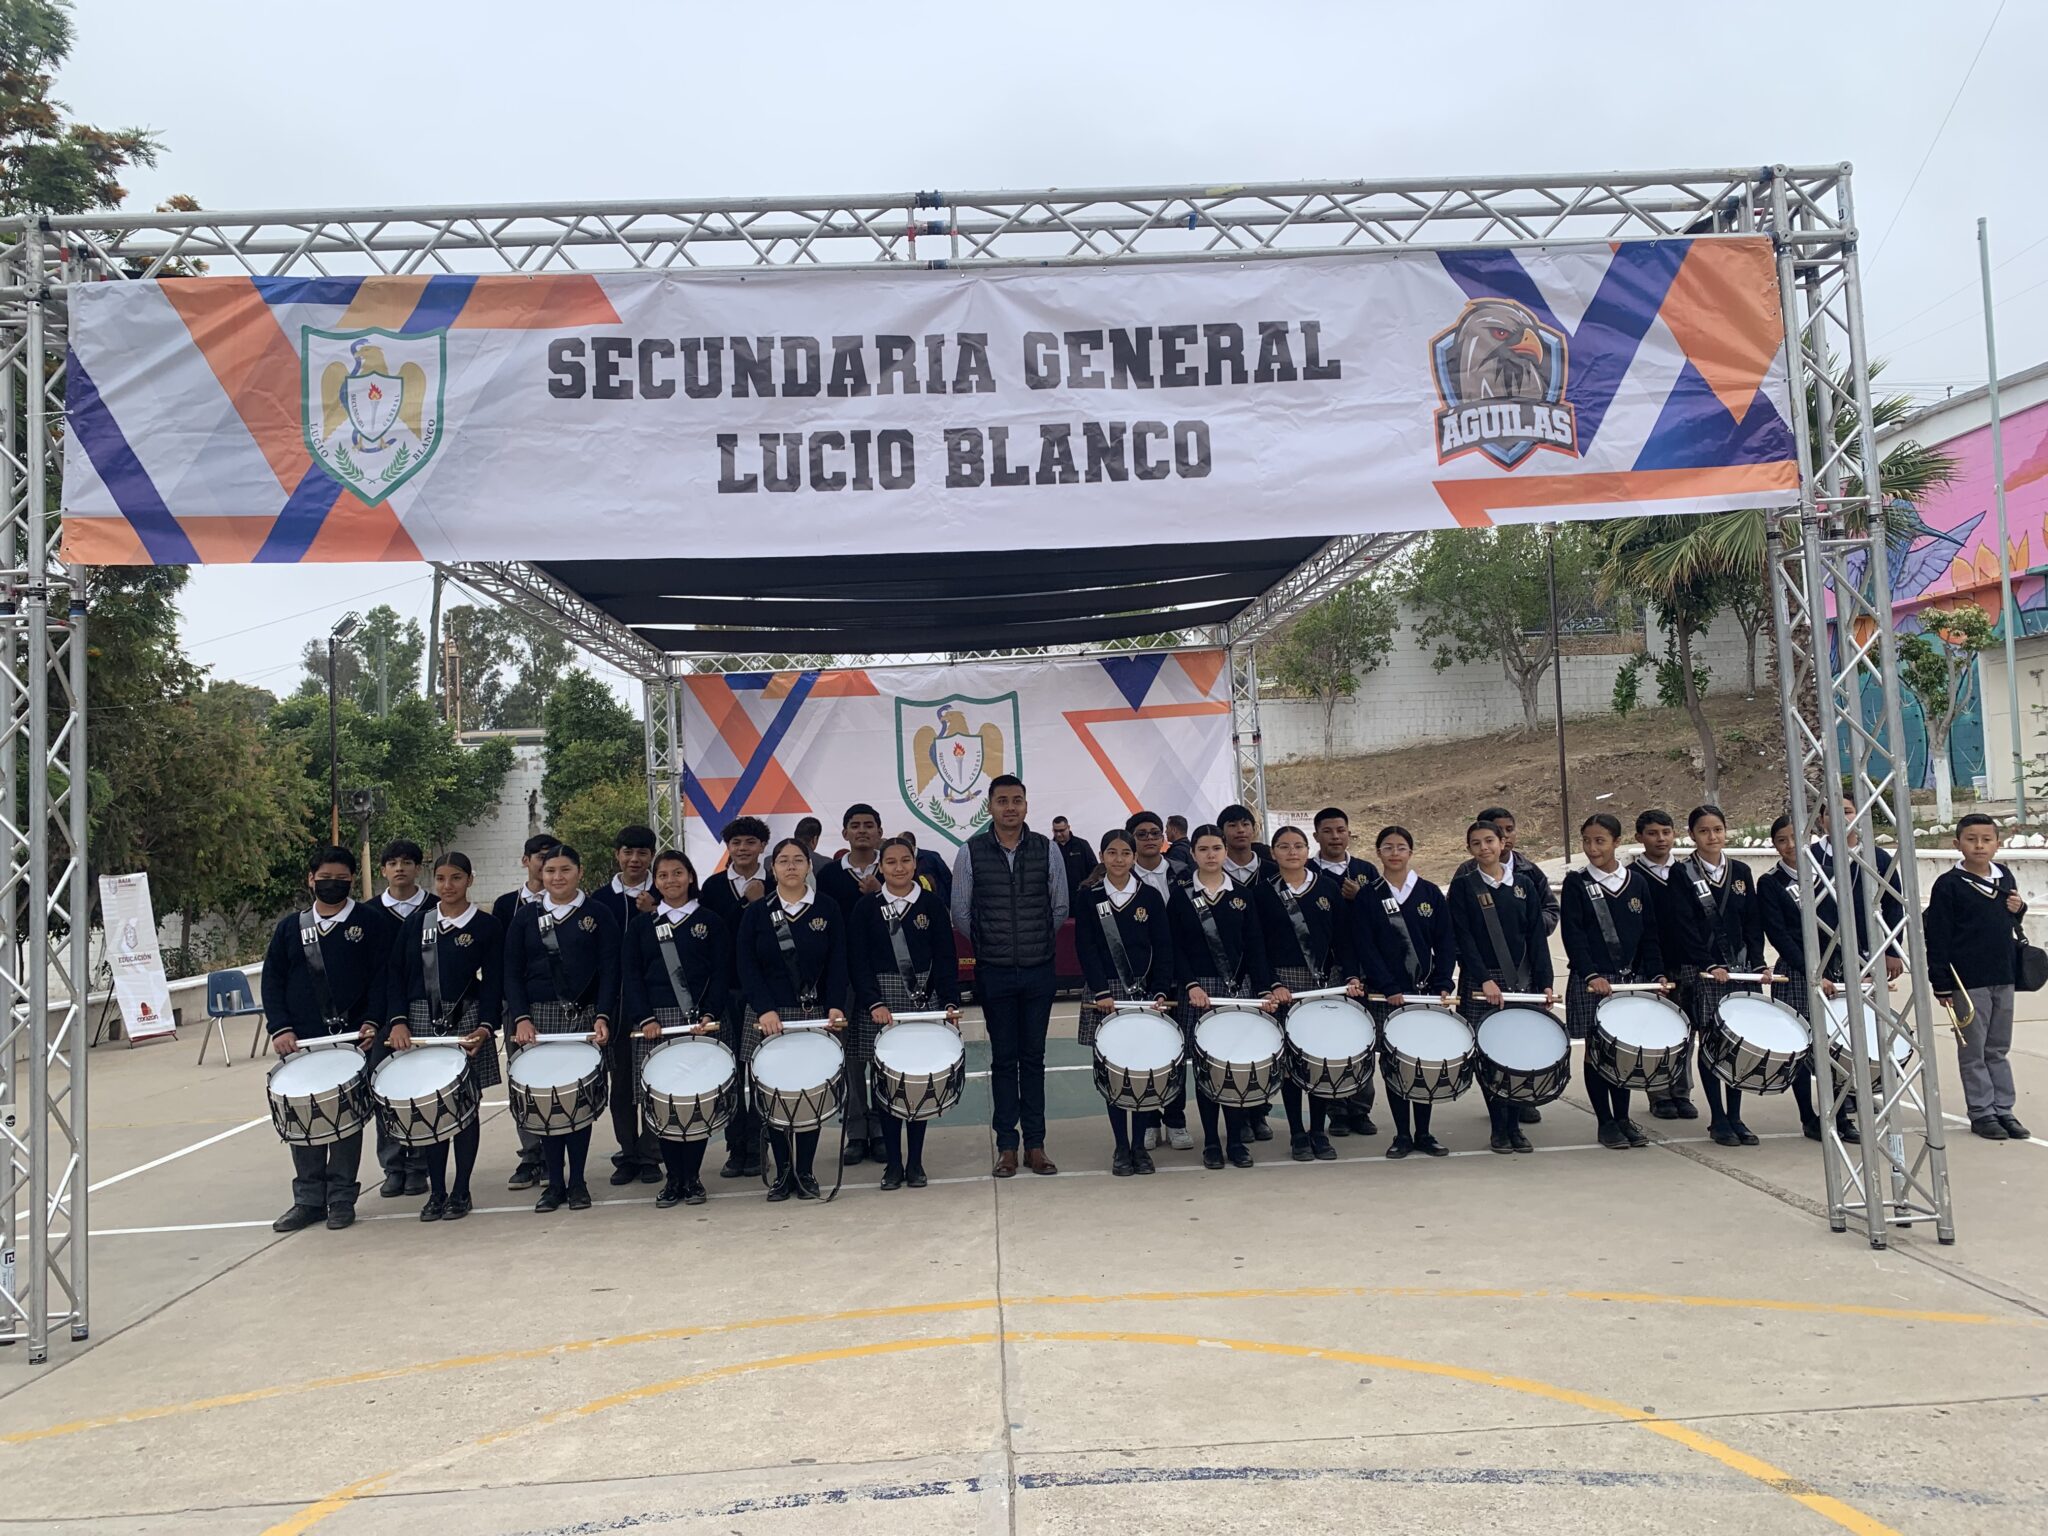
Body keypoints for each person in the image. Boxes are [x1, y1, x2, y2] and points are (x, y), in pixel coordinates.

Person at [261, 847, 398, 1233]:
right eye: (325, 877)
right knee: (303, 1118)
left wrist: (373, 1022)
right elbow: (272, 980)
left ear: (351, 880)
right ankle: (307, 1200)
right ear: (310, 879)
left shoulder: (370, 922)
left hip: (353, 1041)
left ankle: (340, 1198)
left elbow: (381, 979)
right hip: (302, 1044)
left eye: (341, 878)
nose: (332, 883)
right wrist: (281, 1027)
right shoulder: (291, 928)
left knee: (344, 1121)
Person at [951, 774, 1070, 1177]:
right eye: (1002, 800)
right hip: (995, 973)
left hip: (1038, 971)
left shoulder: (1047, 849)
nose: (1010, 807)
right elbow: (961, 914)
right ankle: (1007, 1146)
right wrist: (992, 944)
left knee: (1033, 1058)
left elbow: (1058, 908)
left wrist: (1032, 943)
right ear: (990, 807)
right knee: (1003, 1060)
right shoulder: (970, 852)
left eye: (1017, 800)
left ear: (1026, 805)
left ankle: (1036, 1144)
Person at [503, 844, 621, 1213]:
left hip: (584, 1020)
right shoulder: (525, 917)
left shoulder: (598, 914)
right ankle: (554, 1183)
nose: (557, 877)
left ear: (579, 872)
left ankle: (579, 1181)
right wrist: (521, 1016)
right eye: (550, 870)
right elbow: (511, 971)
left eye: (565, 870)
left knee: (577, 1103)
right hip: (538, 1020)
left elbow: (610, 970)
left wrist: (603, 1015)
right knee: (547, 1104)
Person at [386, 852, 503, 1221]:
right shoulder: (417, 924)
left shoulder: (486, 926)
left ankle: (461, 1190)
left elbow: (493, 982)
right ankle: (436, 1191)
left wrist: (486, 1026)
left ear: (470, 879)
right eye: (440, 879)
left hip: (467, 1021)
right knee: (430, 1110)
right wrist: (399, 1021)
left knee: (464, 1111)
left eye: (455, 878)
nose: (447, 886)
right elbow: (396, 976)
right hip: (420, 1020)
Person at [735, 838, 850, 1200]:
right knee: (775, 1096)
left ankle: (806, 1171)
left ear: (808, 866)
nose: (790, 867)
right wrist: (764, 1007)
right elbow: (746, 965)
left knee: (809, 1093)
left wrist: (834, 1005)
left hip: (813, 1014)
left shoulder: (826, 908)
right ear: (773, 869)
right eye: (783, 861)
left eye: (798, 860)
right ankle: (783, 1171)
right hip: (769, 1016)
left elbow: (838, 961)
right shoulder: (757, 912)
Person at [850, 837, 963, 1189]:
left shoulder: (931, 904)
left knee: (917, 1083)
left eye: (905, 861)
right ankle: (893, 1164)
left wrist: (948, 1000)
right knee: (885, 1084)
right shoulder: (866, 908)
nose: (898, 868)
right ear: (880, 868)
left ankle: (915, 1161)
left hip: (923, 1002)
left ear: (915, 864)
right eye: (891, 862)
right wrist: (873, 1002)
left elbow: (946, 957)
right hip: (880, 1004)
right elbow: (859, 961)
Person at [621, 849, 731, 1207]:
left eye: (678, 873)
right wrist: (645, 1018)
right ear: (656, 882)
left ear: (691, 877)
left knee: (695, 1102)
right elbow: (632, 977)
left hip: (700, 1023)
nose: (671, 881)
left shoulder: (710, 921)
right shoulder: (641, 926)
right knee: (664, 1105)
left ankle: (694, 1178)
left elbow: (721, 972)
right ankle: (673, 1180)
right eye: (664, 875)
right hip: (657, 1024)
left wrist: (710, 1013)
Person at [1169, 823, 1277, 1168]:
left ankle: (1236, 1141)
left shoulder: (1242, 895)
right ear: (1194, 853)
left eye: (1217, 848)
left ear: (1225, 852)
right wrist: (1190, 985)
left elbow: (1257, 946)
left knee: (1235, 1068)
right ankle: (1212, 1143)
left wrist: (1263, 988)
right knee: (1205, 1068)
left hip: (1239, 991)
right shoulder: (1181, 893)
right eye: (1204, 849)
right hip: (1199, 991)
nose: (1211, 855)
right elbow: (1175, 947)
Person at [1255, 825, 1365, 1162]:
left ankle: (1319, 1130)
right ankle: (1298, 1134)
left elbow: (1345, 938)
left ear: (1308, 850)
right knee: (1291, 1063)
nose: (1292, 852)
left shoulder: (1328, 888)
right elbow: (1257, 946)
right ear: (1273, 853)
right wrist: (1271, 983)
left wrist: (1350, 975)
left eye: (1298, 846)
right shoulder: (1262, 893)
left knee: (1320, 1060)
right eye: (1284, 846)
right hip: (1285, 984)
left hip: (1325, 983)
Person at [1074, 829, 1179, 1176]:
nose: (1119, 859)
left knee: (1143, 1072)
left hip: (1146, 994)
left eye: (1125, 853)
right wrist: (1100, 990)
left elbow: (1164, 946)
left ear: (1134, 858)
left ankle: (1139, 1147)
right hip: (1106, 994)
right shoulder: (1089, 897)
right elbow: (1085, 948)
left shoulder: (1149, 896)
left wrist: (1161, 989)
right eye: (1112, 853)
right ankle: (1121, 1146)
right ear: (1102, 857)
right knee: (1114, 1073)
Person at [1559, 814, 1666, 1150]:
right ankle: (1605, 1121)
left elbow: (1649, 933)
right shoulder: (1577, 884)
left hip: (1628, 980)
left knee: (1624, 1052)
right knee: (1596, 1051)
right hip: (1593, 981)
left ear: (1617, 842)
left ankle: (1623, 1118)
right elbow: (1573, 934)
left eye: (1600, 841)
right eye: (1587, 841)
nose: (1593, 848)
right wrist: (1591, 974)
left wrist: (1657, 972)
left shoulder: (1636, 883)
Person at [1449, 819, 1556, 1154]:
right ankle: (1499, 1127)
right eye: (1477, 843)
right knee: (1490, 1055)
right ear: (1469, 849)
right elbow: (1463, 940)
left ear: (1502, 843)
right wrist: (1483, 978)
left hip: (1522, 981)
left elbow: (1537, 938)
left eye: (1490, 840)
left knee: (1519, 1054)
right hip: (1484, 982)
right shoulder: (1465, 887)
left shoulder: (1523, 883)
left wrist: (1546, 983)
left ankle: (1515, 1127)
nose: (1485, 848)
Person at [1353, 825, 1456, 1159]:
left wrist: (1442, 982)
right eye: (1387, 847)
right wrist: (1389, 986)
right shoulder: (1369, 895)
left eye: (1400, 847)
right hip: (1389, 996)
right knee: (1396, 1064)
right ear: (1378, 853)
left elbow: (1445, 941)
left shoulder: (1428, 893)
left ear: (1410, 852)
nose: (1394, 853)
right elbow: (1365, 946)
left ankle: (1424, 1133)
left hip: (1425, 995)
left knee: (1422, 1063)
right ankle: (1401, 1134)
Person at [1927, 812, 2030, 1141]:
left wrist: (2019, 909)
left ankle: (2004, 1109)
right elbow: (1938, 935)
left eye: (1986, 840)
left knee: (1998, 1047)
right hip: (1967, 979)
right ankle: (1982, 1111)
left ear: (1998, 845)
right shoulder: (1949, 885)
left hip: (2003, 973)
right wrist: (1940, 980)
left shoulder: (2004, 877)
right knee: (1974, 1048)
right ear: (1958, 844)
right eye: (1971, 839)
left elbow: (2011, 920)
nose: (1979, 845)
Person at [1675, 804, 1773, 1149]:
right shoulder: (1682, 873)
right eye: (1704, 831)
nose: (1712, 836)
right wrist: (1707, 963)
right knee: (1711, 1042)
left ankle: (1736, 1115)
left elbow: (1752, 923)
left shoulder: (1742, 870)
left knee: (1738, 1043)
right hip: (1705, 972)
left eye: (1717, 829)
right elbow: (1683, 925)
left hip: (1741, 970)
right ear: (1692, 836)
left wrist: (1758, 962)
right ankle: (1717, 1117)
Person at [1758, 814, 1857, 1143]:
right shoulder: (1771, 883)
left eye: (1796, 839)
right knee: (1801, 1047)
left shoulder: (1829, 875)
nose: (1790, 846)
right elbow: (1779, 934)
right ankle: (1808, 1117)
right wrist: (1810, 970)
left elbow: (1848, 921)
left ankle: (1841, 1115)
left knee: (1837, 1046)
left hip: (1835, 967)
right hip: (1797, 971)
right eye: (1781, 840)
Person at [590, 825, 661, 1188]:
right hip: (615, 1005)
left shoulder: (665, 894)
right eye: (628, 852)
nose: (635, 859)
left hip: (654, 1004)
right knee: (621, 1086)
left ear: (652, 855)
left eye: (643, 853)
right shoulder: (599, 900)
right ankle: (628, 1153)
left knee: (652, 1080)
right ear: (617, 854)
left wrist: (655, 911)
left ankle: (651, 1154)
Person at [817, 804, 888, 1165]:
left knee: (884, 1053)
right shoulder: (829, 875)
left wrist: (880, 890)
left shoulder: (893, 868)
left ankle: (883, 1127)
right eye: (855, 826)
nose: (862, 831)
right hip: (843, 976)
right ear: (844, 833)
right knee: (851, 1057)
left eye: (868, 826)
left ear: (879, 832)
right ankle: (858, 1130)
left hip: (885, 977)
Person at [701, 815, 770, 1178]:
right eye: (736, 843)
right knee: (729, 1072)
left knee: (759, 1071)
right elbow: (713, 934)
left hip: (761, 992)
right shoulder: (712, 887)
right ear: (728, 848)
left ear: (762, 847)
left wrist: (759, 901)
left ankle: (759, 1145)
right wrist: (746, 903)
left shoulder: (775, 883)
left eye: (750, 843)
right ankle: (735, 1147)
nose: (742, 849)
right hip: (724, 989)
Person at [493, 833, 559, 1191]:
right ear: (526, 861)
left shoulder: (572, 903)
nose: (544, 862)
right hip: (518, 1006)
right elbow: (506, 961)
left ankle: (555, 1156)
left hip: (562, 1007)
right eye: (538, 856)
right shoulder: (508, 905)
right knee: (523, 1082)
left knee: (557, 1081)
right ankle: (530, 1154)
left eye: (552, 857)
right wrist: (515, 1009)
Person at [1310, 806, 1381, 1138]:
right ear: (1316, 836)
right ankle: (1335, 1109)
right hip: (1320, 970)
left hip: (1360, 971)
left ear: (1349, 833)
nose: (1335, 836)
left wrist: (1362, 897)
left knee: (1360, 1039)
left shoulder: (1366, 871)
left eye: (1340, 830)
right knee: (1326, 1043)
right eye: (1327, 831)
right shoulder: (1306, 870)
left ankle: (1360, 1108)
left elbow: (1384, 919)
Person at [371, 837, 432, 1197]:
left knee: (422, 1093)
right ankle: (393, 1165)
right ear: (383, 870)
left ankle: (419, 1166)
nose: (399, 868)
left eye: (407, 862)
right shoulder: (369, 912)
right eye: (392, 863)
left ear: (418, 868)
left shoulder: (438, 907)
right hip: (382, 1016)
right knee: (386, 1092)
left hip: (428, 1013)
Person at [492, 833, 557, 926]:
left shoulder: (566, 901)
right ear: (525, 860)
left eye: (552, 858)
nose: (547, 864)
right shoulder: (505, 904)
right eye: (541, 858)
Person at [1126, 810, 1179, 903]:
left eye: (1155, 833)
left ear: (1162, 839)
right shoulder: (1124, 878)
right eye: (1142, 834)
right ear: (1130, 841)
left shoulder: (1182, 872)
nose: (1149, 838)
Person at [1218, 804, 1275, 887]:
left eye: (1245, 824)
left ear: (1254, 829)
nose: (1241, 830)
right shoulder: (1213, 873)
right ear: (1221, 832)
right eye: (1233, 825)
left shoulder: (1273, 871)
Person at [896, 828, 955, 906]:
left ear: (912, 846)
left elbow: (948, 880)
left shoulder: (931, 857)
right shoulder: (900, 863)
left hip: (939, 903)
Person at [1051, 815, 1097, 895]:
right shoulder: (1049, 848)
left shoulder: (1082, 845)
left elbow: (1094, 869)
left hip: (1081, 895)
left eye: (1061, 830)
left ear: (1068, 827)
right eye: (1055, 831)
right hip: (1058, 896)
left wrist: (1087, 886)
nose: (1058, 834)